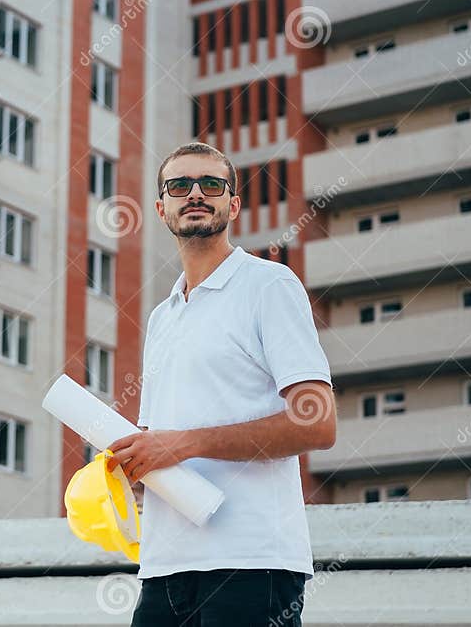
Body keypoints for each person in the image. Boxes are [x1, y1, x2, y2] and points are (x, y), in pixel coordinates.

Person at [106, 142, 336, 627]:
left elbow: (318, 423)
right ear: (161, 206)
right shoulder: (162, 316)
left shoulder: (269, 286)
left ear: (232, 205)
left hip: (251, 564)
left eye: (211, 184)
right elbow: (157, 442)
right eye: (179, 185)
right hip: (164, 568)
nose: (195, 194)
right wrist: (129, 466)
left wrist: (185, 444)